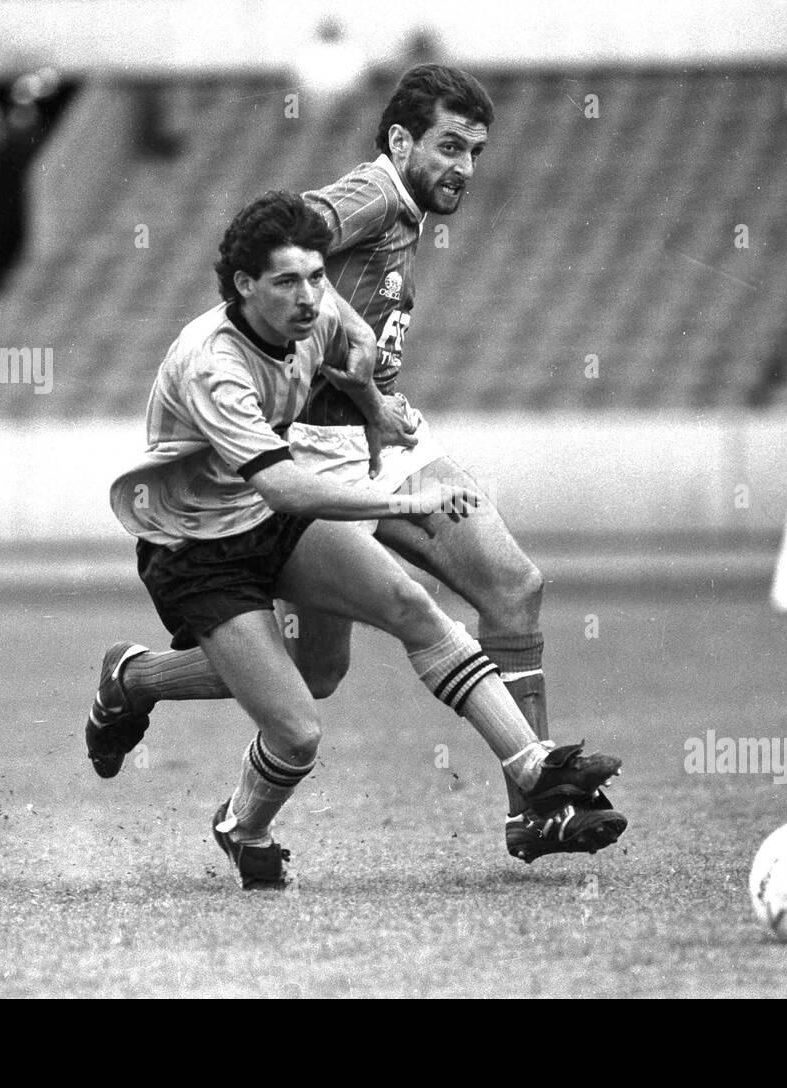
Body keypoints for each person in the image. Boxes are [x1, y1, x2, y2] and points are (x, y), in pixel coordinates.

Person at [90, 66, 628, 865]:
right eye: (449, 146)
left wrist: (376, 394)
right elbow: (292, 234)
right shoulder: (373, 195)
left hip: (370, 439)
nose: (465, 168)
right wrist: (354, 348)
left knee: (504, 590)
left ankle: (536, 803)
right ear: (401, 140)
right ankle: (136, 684)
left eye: (476, 151)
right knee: (313, 682)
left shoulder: (404, 215)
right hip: (306, 454)